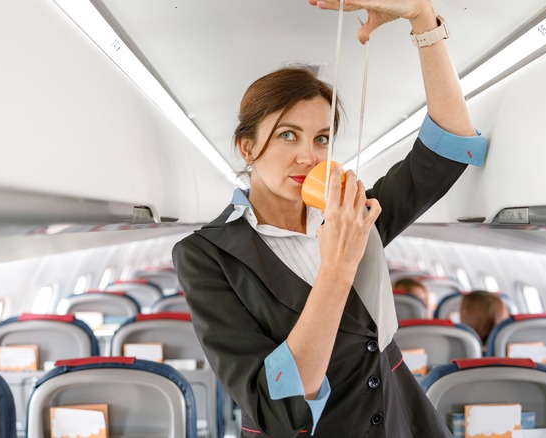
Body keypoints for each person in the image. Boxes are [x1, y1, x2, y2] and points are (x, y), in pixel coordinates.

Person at [172, 0, 487, 436]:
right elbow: (277, 408)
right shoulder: (206, 256)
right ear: (247, 148)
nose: (309, 156)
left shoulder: (353, 213)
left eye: (321, 138)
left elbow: (451, 148)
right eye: (288, 135)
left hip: (403, 421)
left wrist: (421, 18)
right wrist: (337, 266)